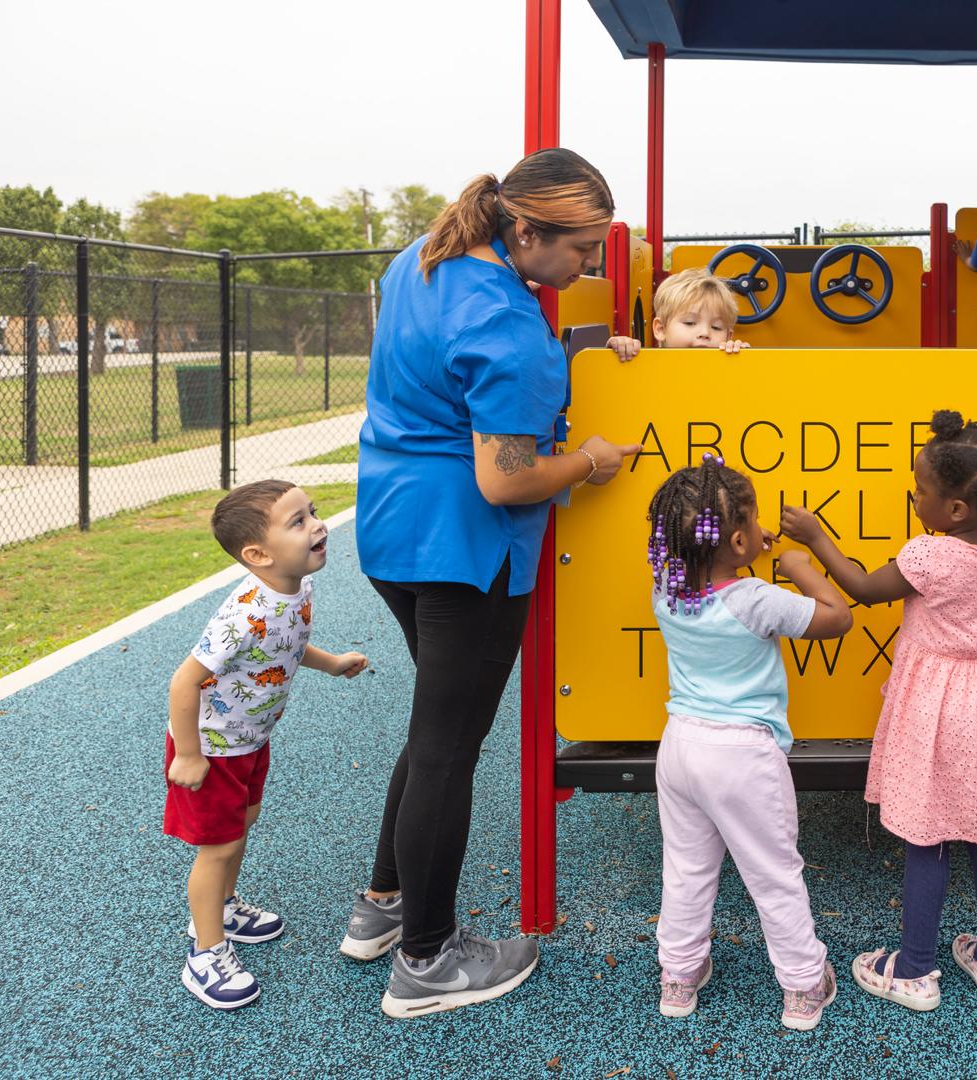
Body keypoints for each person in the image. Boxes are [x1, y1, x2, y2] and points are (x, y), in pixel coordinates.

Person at [339, 148, 644, 1019]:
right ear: (526, 230)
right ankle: (428, 960)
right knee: (449, 747)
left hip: (393, 527)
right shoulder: (508, 326)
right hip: (468, 552)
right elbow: (506, 480)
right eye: (581, 249)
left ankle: (384, 906)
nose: (587, 266)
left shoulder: (424, 257)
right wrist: (587, 461)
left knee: (435, 730)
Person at [779, 410, 977, 1012]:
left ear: (956, 510)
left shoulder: (930, 558)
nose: (914, 497)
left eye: (921, 490)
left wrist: (814, 540)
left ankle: (915, 970)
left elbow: (864, 589)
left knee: (928, 836)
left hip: (937, 702)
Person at [647, 454, 850, 1030]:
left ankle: (679, 976)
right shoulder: (757, 599)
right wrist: (799, 565)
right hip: (742, 755)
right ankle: (804, 984)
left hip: (680, 746)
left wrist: (742, 545)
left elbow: (706, 560)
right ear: (738, 540)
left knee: (686, 870)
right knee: (773, 874)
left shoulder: (667, 590)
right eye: (753, 522)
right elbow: (837, 618)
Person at [165, 480, 369, 1010]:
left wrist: (331, 664)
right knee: (219, 846)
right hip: (213, 747)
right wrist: (188, 754)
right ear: (258, 555)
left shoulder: (297, 587)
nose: (317, 525)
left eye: (312, 512)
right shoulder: (243, 613)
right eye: (298, 522)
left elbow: (287, 644)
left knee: (243, 824)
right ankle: (205, 952)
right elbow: (184, 681)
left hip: (250, 739)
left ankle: (223, 906)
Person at [606, 267, 752, 359]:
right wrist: (620, 349)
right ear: (661, 329)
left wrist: (743, 359)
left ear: (728, 336)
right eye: (690, 323)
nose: (705, 333)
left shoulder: (727, 364)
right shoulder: (646, 363)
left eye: (716, 327)